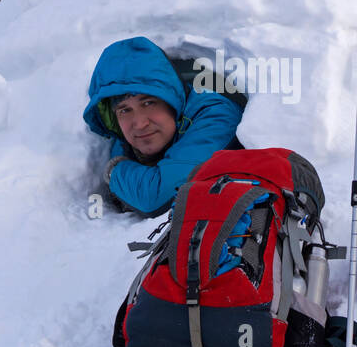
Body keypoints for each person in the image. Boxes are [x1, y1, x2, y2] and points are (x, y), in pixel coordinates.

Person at [83, 36, 244, 217]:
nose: (140, 123)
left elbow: (158, 198)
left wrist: (115, 170)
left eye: (149, 103)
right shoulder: (124, 138)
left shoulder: (215, 115)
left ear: (171, 99)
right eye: (125, 110)